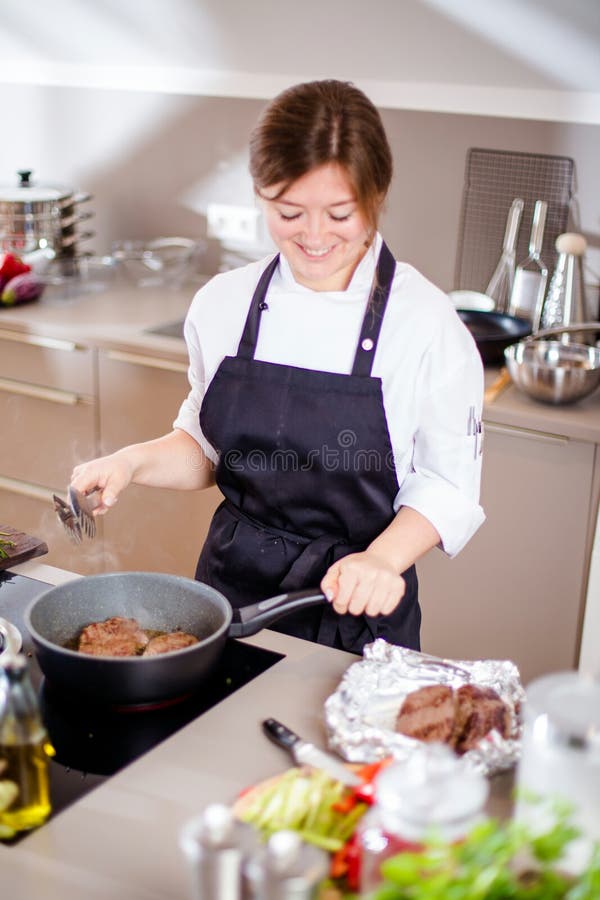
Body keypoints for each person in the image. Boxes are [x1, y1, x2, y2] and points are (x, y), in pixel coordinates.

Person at [71, 79, 485, 654]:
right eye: (289, 212)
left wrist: (383, 559)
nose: (314, 237)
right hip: (229, 597)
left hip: (353, 604)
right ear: (261, 196)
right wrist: (132, 461)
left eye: (340, 213)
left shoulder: (426, 324)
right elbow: (207, 447)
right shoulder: (223, 303)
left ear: (377, 195)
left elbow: (448, 486)